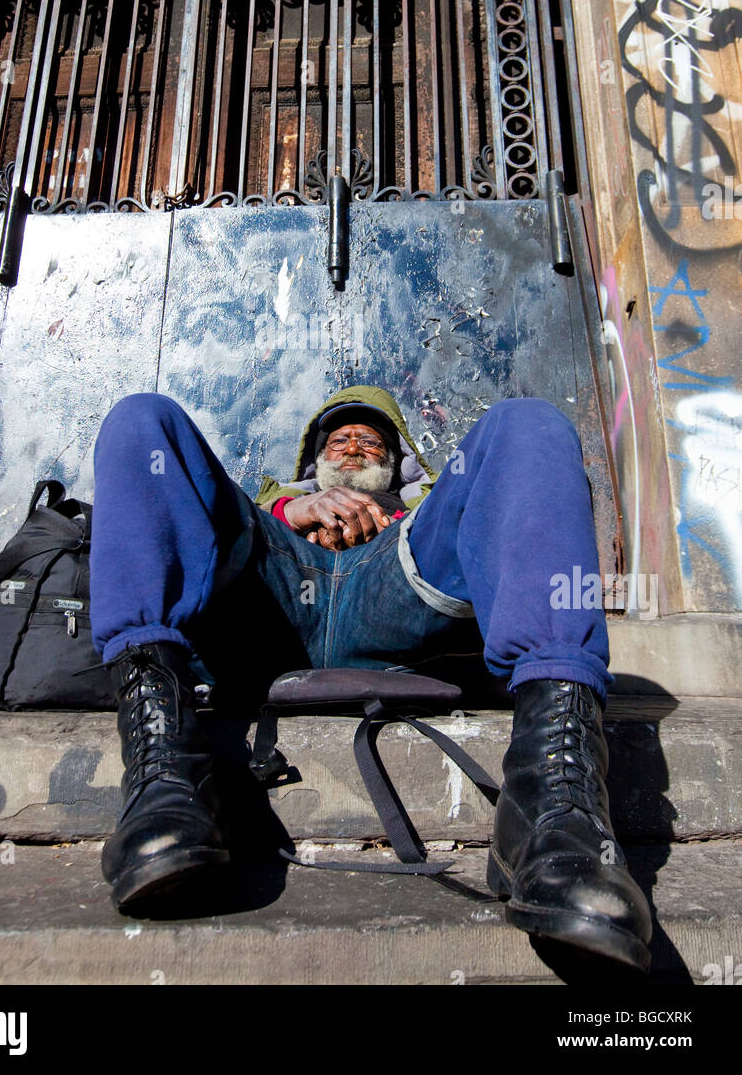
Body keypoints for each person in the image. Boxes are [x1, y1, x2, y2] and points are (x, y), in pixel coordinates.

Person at [89, 384, 652, 971]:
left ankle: (554, 806)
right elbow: (216, 517)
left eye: (371, 441)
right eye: (340, 440)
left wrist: (397, 521)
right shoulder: (264, 505)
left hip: (396, 582)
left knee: (528, 421)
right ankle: (164, 778)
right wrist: (292, 512)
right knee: (141, 418)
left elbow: (471, 519)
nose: (354, 447)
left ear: (398, 463)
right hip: (272, 592)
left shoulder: (432, 504)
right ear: (315, 461)